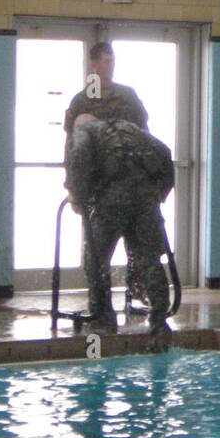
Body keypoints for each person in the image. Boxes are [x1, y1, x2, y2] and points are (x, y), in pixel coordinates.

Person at [64, 113, 175, 345]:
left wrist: (77, 195)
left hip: (112, 202)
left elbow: (79, 157)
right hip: (146, 202)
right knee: (149, 260)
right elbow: (165, 152)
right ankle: (159, 322)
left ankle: (103, 317)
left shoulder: (84, 130)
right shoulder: (131, 129)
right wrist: (159, 195)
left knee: (96, 259)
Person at [64, 41, 150, 311]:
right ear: (94, 64)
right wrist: (73, 187)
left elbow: (144, 136)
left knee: (137, 244)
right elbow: (72, 148)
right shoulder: (82, 102)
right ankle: (100, 304)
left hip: (130, 183)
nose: (111, 66)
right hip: (97, 188)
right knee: (96, 250)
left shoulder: (127, 97)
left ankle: (136, 292)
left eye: (113, 60)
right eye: (106, 61)